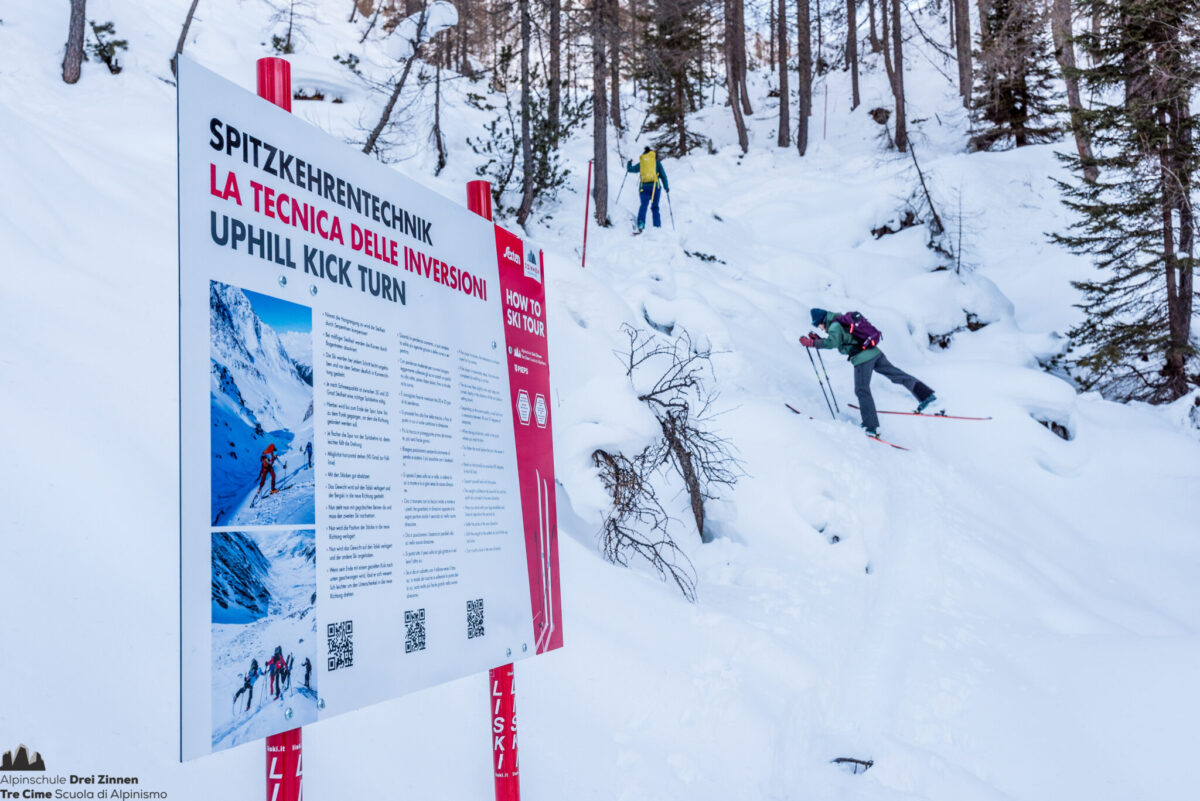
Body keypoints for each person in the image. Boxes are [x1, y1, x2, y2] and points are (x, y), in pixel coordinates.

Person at [800, 308, 937, 438]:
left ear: (822, 321)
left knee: (862, 390)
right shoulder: (840, 319)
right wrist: (817, 340)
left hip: (862, 359)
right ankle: (926, 395)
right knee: (896, 375)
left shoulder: (834, 326)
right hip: (875, 352)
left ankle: (870, 427)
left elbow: (832, 343)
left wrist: (812, 343)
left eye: (818, 325)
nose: (820, 328)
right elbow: (841, 340)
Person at [626, 147, 669, 232]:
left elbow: (630, 169)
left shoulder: (642, 163)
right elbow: (663, 176)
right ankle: (657, 227)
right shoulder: (657, 163)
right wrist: (666, 187)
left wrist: (629, 164)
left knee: (643, 205)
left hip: (644, 187)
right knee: (655, 207)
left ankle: (641, 224)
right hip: (655, 188)